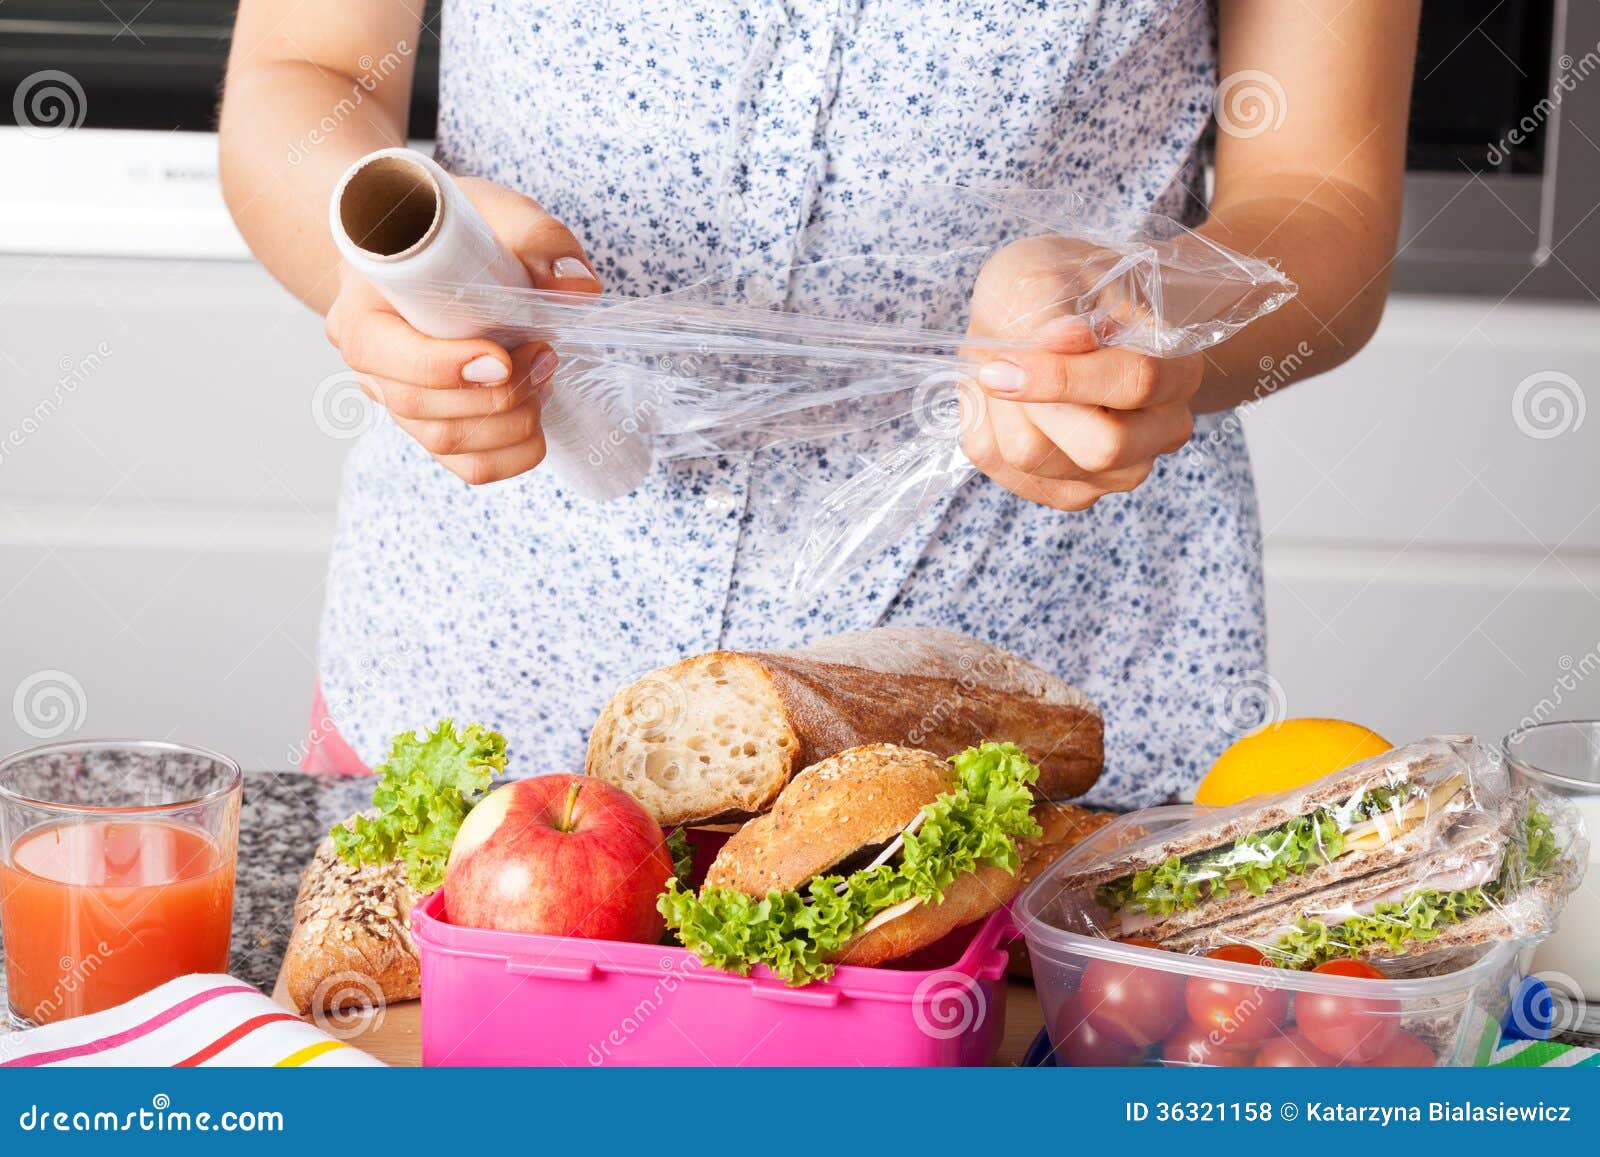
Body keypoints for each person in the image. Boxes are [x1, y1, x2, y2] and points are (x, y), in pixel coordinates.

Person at [219, 1, 1420, 808]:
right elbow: (302, 75)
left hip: (1029, 713)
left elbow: (1323, 194)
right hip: (492, 657)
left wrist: (1138, 313)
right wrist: (397, 260)